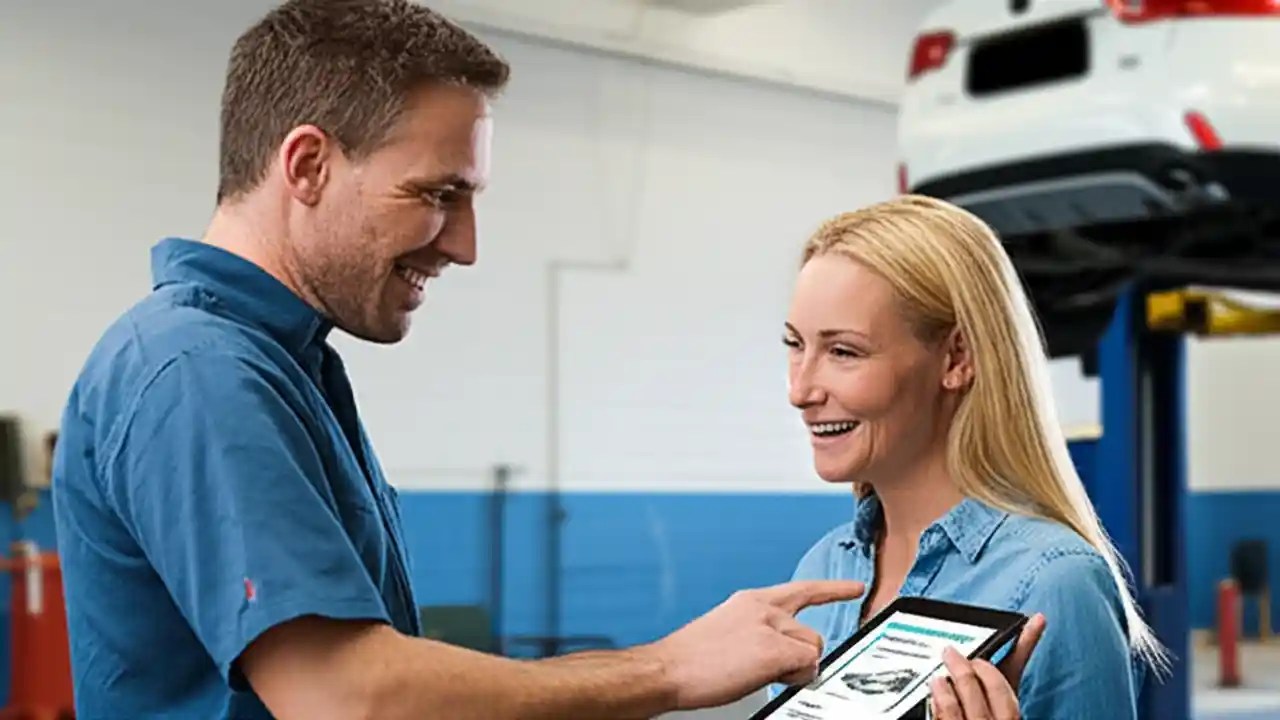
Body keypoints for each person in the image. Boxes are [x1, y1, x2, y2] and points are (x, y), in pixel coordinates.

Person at [50, 1, 1038, 718]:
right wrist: (666, 670)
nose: (464, 243)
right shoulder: (197, 371)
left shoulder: (281, 363)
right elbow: (348, 697)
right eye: (437, 193)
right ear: (307, 165)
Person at [778, 194, 1170, 719]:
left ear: (956, 358)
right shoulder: (822, 571)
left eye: (843, 352)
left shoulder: (1055, 584)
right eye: (795, 345)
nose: (800, 390)